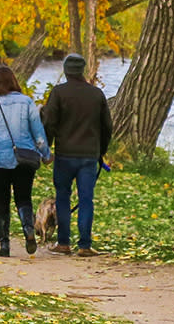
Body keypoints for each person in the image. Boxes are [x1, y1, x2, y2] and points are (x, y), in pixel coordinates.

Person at [0, 66, 51, 257]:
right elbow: (38, 134)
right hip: (25, 158)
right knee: (24, 198)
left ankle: (4, 245)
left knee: (2, 201)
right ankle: (28, 229)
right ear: (14, 82)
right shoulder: (27, 103)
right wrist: (46, 154)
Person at [40, 53, 112, 257]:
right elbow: (107, 126)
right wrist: (101, 150)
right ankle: (85, 244)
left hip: (64, 154)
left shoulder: (59, 93)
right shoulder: (96, 94)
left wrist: (47, 148)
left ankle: (63, 242)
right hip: (89, 155)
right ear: (82, 70)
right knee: (86, 199)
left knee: (63, 197)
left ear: (65, 70)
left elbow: (49, 123)